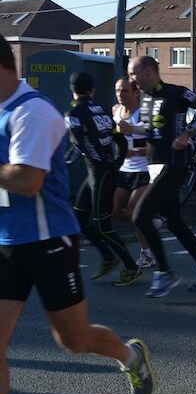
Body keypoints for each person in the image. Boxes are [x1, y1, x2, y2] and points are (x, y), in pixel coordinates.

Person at [0, 34, 154, 394]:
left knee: (73, 340)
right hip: (5, 242)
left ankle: (130, 356)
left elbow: (27, 179)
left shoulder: (34, 111)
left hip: (49, 241)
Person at [127, 55, 196, 297]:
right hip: (155, 165)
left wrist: (189, 132)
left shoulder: (175, 92)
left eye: (133, 73)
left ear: (149, 71)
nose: (131, 79)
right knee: (175, 223)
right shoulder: (146, 97)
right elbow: (154, 129)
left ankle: (164, 273)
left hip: (174, 163)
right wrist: (133, 129)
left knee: (140, 216)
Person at [65, 72, 141, 286]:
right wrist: (115, 163)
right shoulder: (101, 110)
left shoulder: (74, 112)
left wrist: (64, 162)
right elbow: (120, 140)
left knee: (101, 224)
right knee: (78, 217)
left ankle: (131, 266)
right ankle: (108, 257)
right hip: (100, 170)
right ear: (92, 90)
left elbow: (77, 143)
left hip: (99, 172)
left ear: (72, 89)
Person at [111, 77, 154, 269]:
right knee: (114, 210)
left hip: (143, 168)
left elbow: (154, 142)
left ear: (135, 92)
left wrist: (135, 151)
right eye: (118, 90)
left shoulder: (143, 112)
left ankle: (147, 253)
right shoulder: (115, 110)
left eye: (125, 91)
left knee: (134, 210)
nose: (120, 94)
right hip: (123, 169)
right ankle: (150, 223)